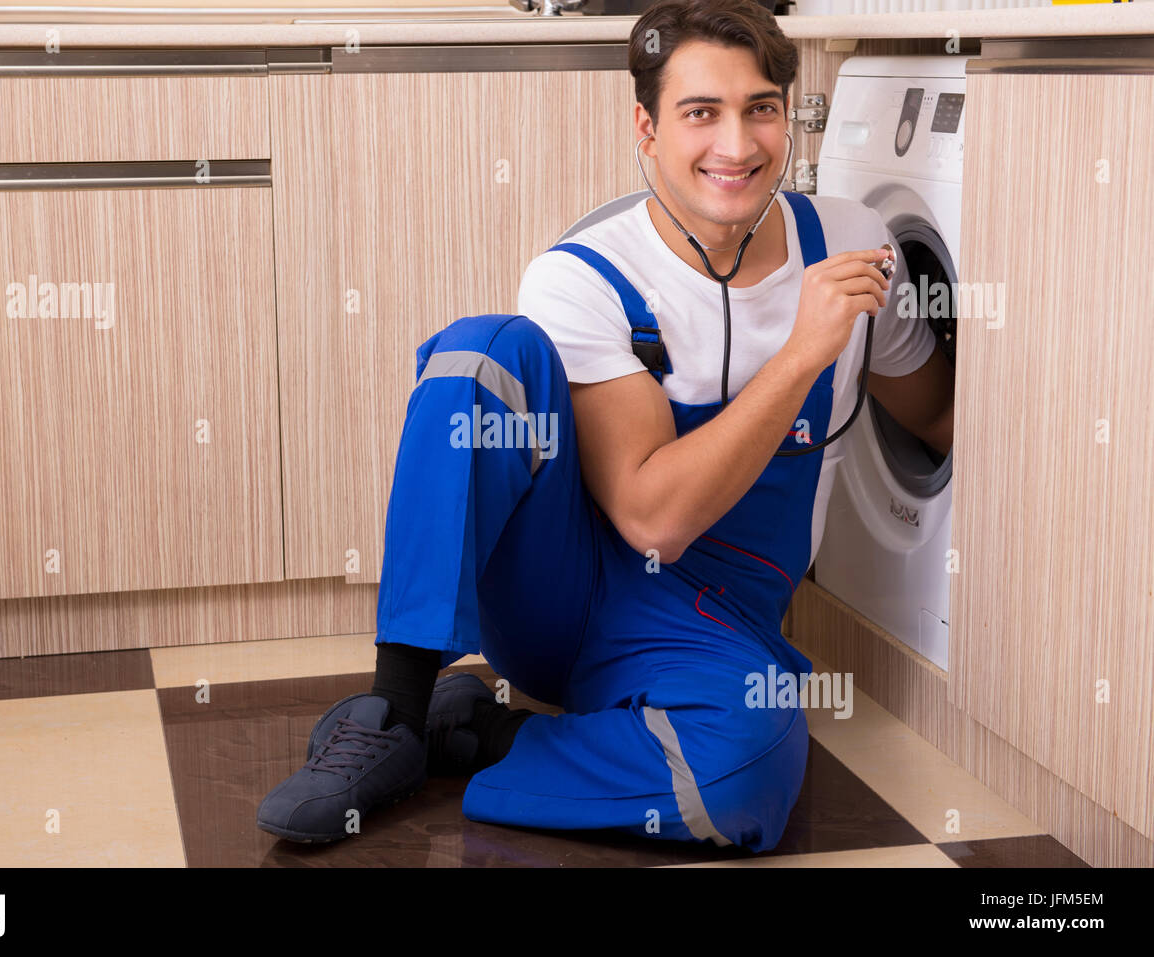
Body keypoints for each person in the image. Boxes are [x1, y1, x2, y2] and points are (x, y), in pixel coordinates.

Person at [256, 0, 953, 852]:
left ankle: (477, 739)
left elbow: (934, 416)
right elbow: (652, 515)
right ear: (647, 127)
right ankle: (391, 716)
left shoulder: (852, 240)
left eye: (760, 108)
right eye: (701, 112)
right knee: (481, 356)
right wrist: (803, 353)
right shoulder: (585, 272)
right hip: (566, 597)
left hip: (719, 625)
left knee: (751, 762)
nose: (736, 146)